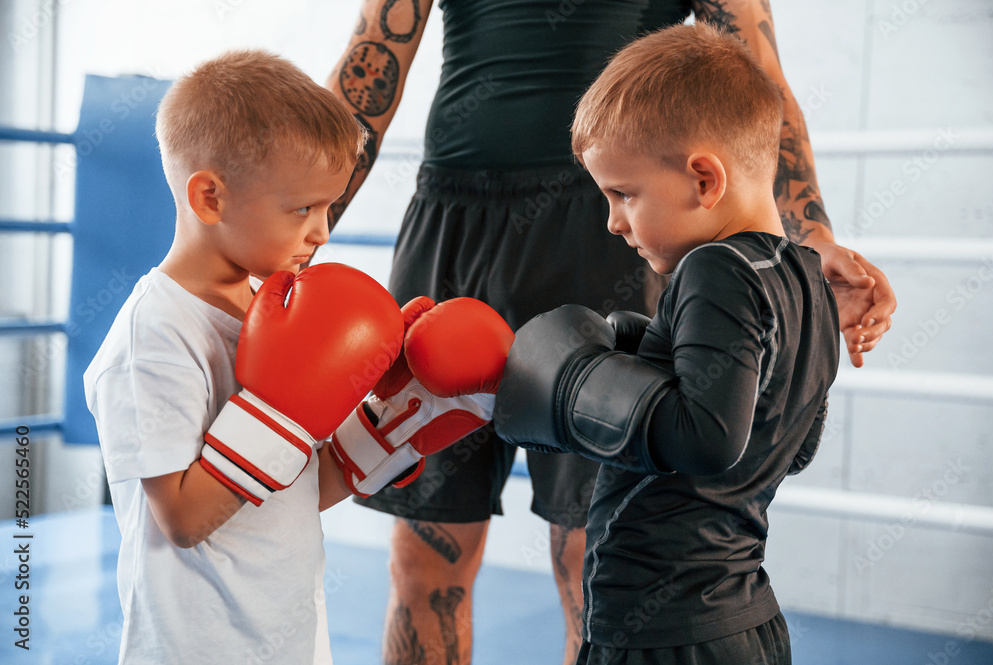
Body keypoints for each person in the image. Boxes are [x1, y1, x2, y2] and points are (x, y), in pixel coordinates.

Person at [324, 2, 896, 664]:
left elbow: (753, 73)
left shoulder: (699, 259)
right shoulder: (665, 233)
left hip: (612, 219)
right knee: (423, 552)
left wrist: (809, 238)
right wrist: (284, 232)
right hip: (454, 217)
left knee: (591, 552)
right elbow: (371, 62)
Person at [83, 49, 511, 664]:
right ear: (210, 198)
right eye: (302, 209)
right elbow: (182, 518)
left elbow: (297, 490)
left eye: (329, 207)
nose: (322, 232)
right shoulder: (155, 335)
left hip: (295, 640)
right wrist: (279, 412)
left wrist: (397, 423)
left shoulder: (271, 313)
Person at [494, 22, 839, 665]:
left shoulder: (715, 267)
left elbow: (705, 439)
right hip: (740, 618)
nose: (613, 221)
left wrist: (573, 380)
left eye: (625, 194)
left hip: (666, 626)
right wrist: (636, 349)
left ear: (704, 179)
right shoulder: (807, 277)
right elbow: (796, 444)